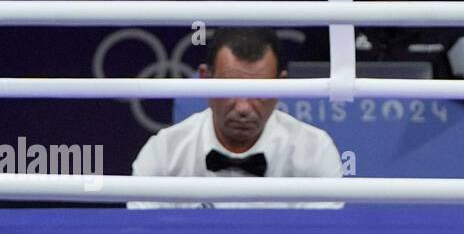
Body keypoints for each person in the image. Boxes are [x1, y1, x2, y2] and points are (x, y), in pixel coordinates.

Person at [129, 27, 343, 208]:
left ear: (282, 84)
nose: (243, 107)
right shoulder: (163, 153)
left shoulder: (315, 151)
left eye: (259, 91)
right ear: (205, 79)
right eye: (231, 88)